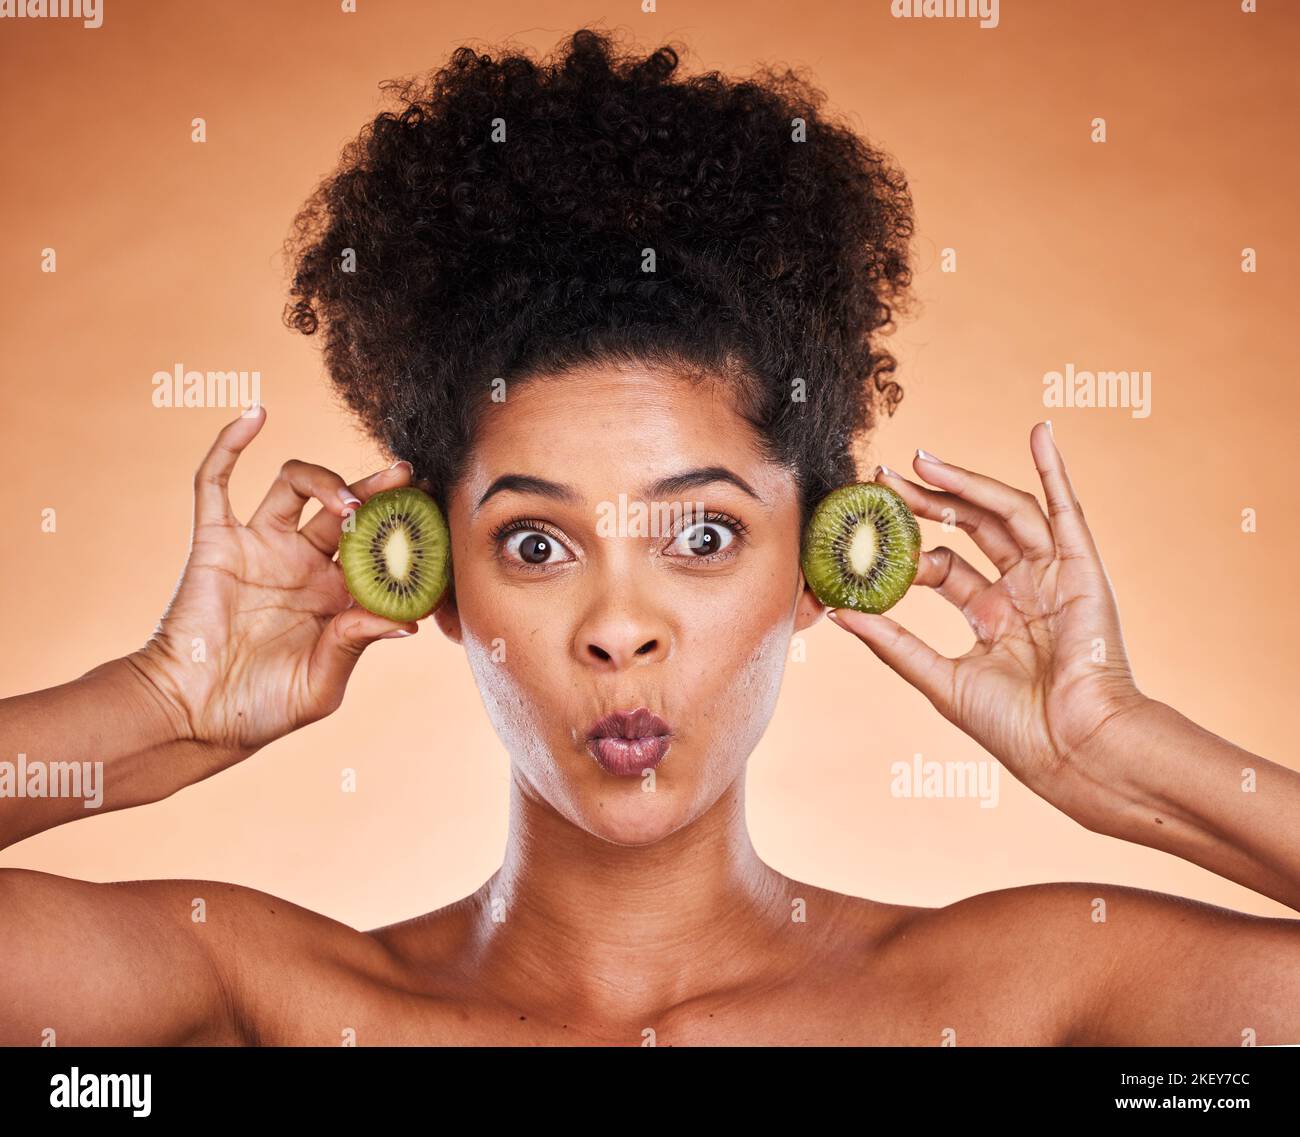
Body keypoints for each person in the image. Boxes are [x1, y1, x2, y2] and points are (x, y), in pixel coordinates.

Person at [2, 28, 1297, 1046]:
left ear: (816, 568)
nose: (622, 626)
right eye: (538, 545)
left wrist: (1124, 757)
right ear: (434, 582)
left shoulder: (1033, 999)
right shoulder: (258, 998)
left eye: (704, 535)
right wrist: (158, 705)